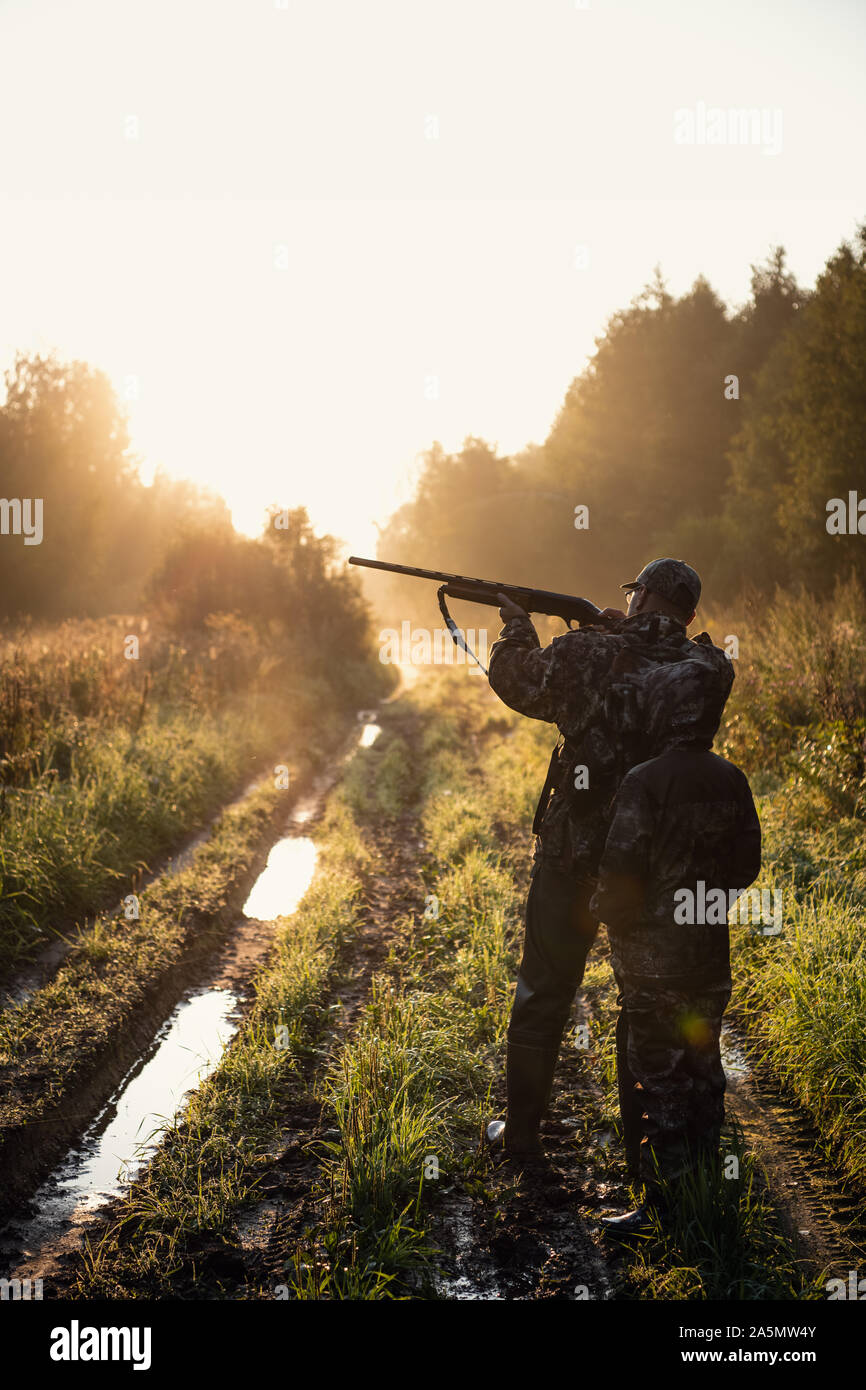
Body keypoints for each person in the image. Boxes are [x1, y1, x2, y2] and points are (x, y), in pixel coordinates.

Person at [485, 558, 734, 1159]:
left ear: (640, 595)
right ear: (690, 614)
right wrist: (614, 629)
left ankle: (521, 1138)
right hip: (653, 867)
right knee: (646, 1005)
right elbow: (664, 660)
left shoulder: (583, 653)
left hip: (576, 856)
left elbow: (516, 680)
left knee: (543, 988)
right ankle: (657, 1158)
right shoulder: (709, 669)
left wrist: (518, 627)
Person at [589, 657, 762, 1234]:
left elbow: (619, 878)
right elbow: (745, 868)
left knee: (659, 1080)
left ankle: (663, 1209)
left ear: (664, 709)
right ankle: (708, 1189)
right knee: (705, 1071)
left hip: (651, 967)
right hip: (710, 958)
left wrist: (612, 919)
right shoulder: (732, 778)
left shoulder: (643, 781)